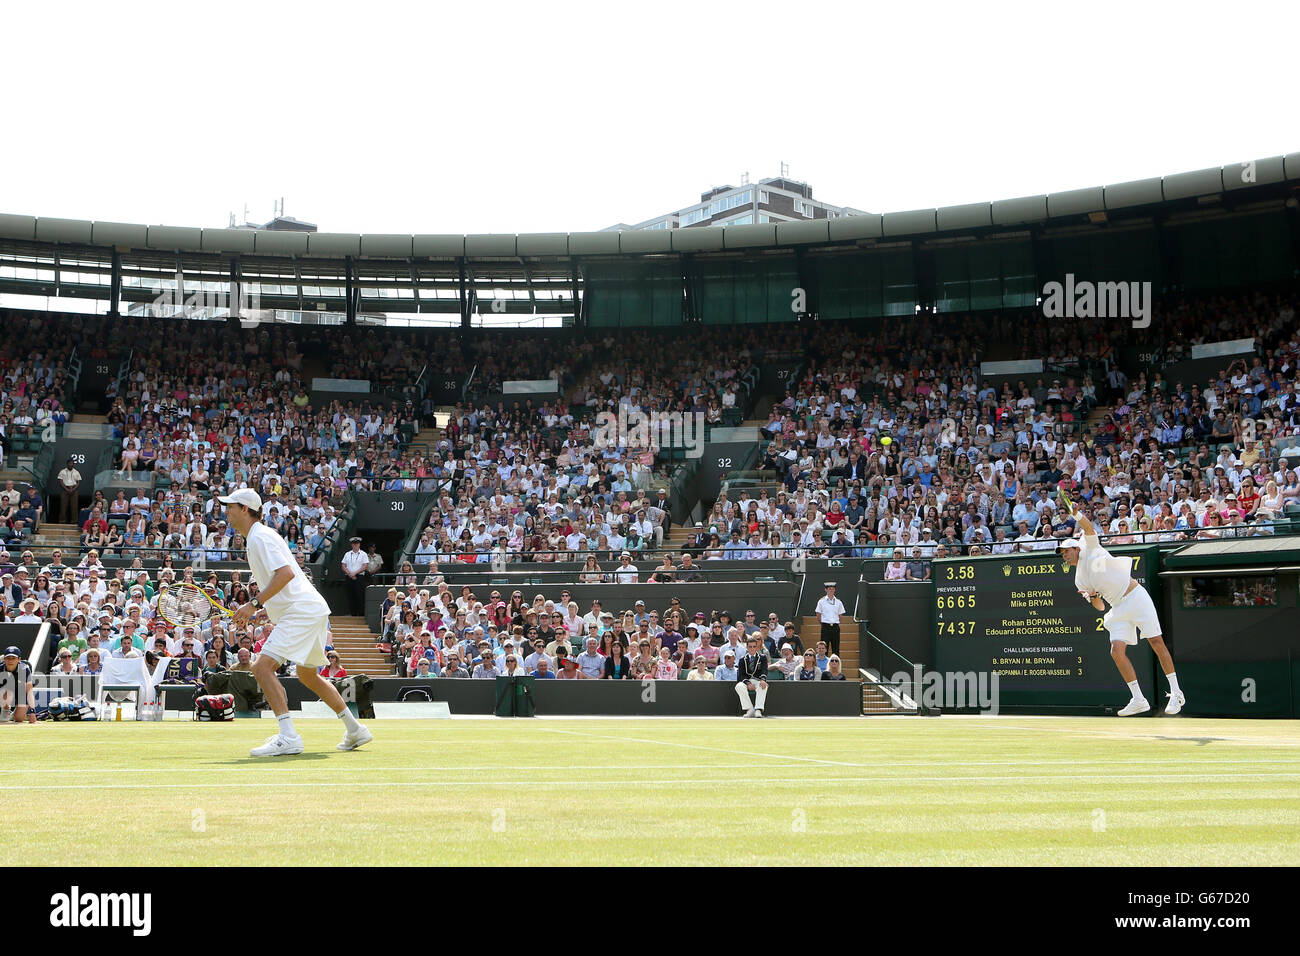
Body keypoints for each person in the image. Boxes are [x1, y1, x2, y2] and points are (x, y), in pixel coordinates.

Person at [220, 489, 372, 756]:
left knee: (262, 668)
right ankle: (355, 728)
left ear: (245, 509)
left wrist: (254, 603)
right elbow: (285, 583)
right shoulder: (258, 537)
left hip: (302, 611)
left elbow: (287, 574)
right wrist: (261, 611)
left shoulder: (260, 538)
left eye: (230, 506)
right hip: (309, 609)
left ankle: (288, 736)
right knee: (307, 675)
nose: (226, 511)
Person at [1060, 509, 1183, 716]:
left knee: (1156, 642)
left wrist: (1077, 514)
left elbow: (1088, 527)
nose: (1064, 556)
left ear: (1076, 548)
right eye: (1062, 554)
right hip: (1117, 608)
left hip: (1135, 596)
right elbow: (1100, 607)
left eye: (1066, 552)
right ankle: (1138, 699)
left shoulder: (1088, 546)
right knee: (1116, 652)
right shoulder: (1079, 580)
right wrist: (1092, 597)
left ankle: (1177, 692)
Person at [735, 636, 769, 717]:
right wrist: (748, 683)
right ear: (747, 647)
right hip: (747, 681)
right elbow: (741, 675)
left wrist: (763, 680)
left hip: (758, 680)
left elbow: (764, 670)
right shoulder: (742, 660)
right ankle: (749, 709)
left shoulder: (762, 657)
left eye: (754, 646)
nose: (752, 648)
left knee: (763, 686)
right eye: (750, 647)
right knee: (739, 686)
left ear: (757, 647)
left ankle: (758, 710)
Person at [0, 646, 35, 723]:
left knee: (19, 719)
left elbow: (29, 691)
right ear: (4, 659)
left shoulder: (25, 669)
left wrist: (32, 712)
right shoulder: (0, 669)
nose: (10, 661)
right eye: (8, 658)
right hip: (5, 694)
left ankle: (13, 715)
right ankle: (5, 710)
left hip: (21, 693)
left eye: (13, 658)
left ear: (19, 659)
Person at [814, 581, 845, 656]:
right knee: (824, 648)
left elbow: (840, 615)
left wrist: (835, 622)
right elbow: (818, 614)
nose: (831, 590)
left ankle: (836, 666)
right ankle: (824, 666)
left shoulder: (838, 602)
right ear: (826, 590)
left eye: (833, 589)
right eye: (829, 589)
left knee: (836, 648)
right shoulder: (821, 601)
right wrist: (823, 623)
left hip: (835, 627)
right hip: (825, 627)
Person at [341, 537, 369, 617]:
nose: (355, 545)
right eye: (354, 543)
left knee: (359, 595)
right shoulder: (347, 554)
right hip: (349, 577)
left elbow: (365, 566)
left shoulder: (363, 554)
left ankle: (360, 614)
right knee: (350, 595)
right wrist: (350, 574)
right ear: (351, 544)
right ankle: (352, 613)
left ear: (359, 544)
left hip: (359, 577)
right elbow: (343, 565)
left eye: (357, 543)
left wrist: (354, 573)